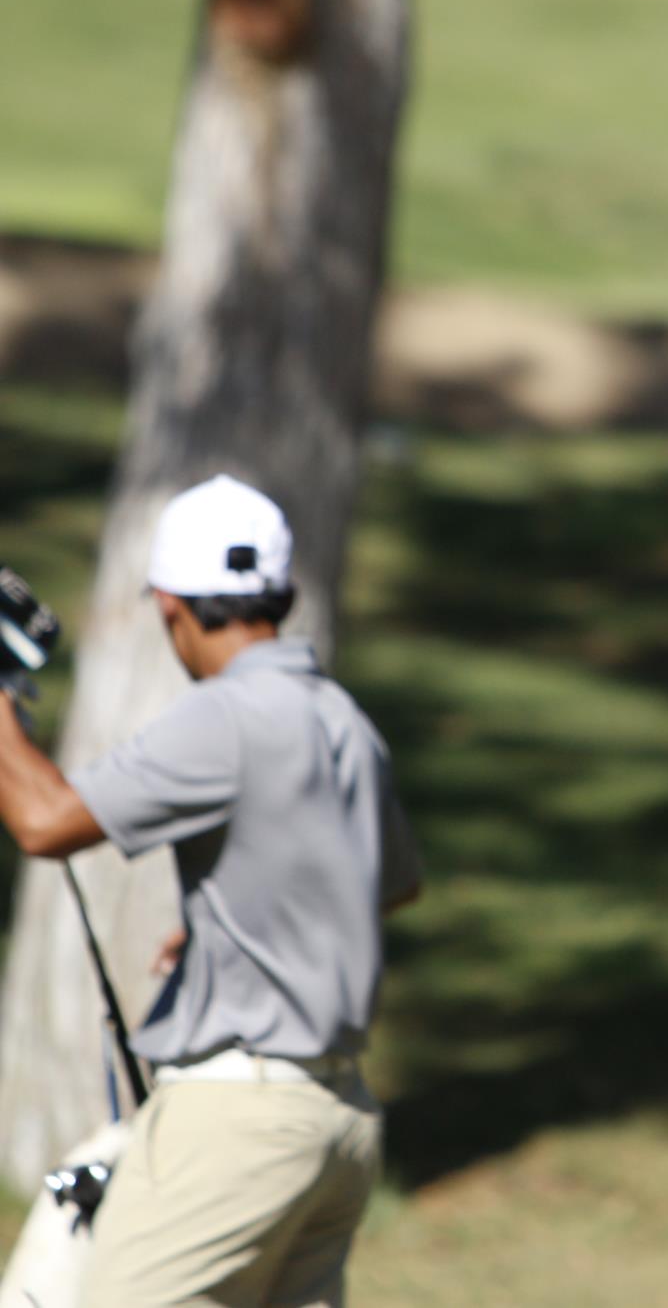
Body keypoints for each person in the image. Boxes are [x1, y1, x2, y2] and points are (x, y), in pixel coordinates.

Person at [0, 474, 422, 1308]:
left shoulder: (225, 717)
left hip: (240, 1123)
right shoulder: (344, 720)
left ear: (172, 605)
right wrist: (239, 925)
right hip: (338, 1119)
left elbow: (46, 821)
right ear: (280, 592)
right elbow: (392, 883)